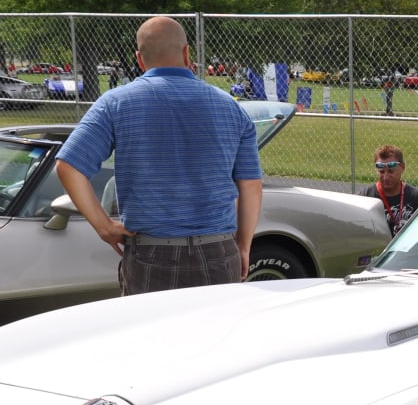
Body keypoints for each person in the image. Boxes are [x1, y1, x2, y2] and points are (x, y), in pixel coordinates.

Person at [54, 15, 263, 295]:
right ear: (187, 53)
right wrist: (243, 246)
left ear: (140, 59)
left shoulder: (115, 103)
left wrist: (104, 226)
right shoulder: (230, 107)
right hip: (219, 252)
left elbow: (68, 166)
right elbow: (250, 184)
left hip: (150, 255)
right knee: (215, 336)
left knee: (150, 337)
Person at [361, 144, 418, 235]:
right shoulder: (364, 198)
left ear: (403, 167)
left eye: (391, 171)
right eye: (381, 172)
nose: (386, 177)